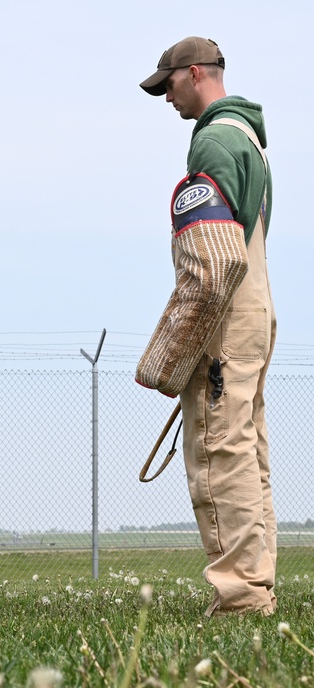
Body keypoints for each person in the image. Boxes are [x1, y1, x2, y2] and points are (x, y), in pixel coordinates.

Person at [136, 38, 277, 616]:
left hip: (226, 314)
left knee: (219, 450)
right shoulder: (250, 140)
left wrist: (174, 348)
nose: (166, 97)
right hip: (256, 309)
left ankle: (241, 597)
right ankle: (258, 585)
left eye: (168, 84)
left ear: (196, 74)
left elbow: (215, 260)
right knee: (247, 449)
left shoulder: (213, 141)